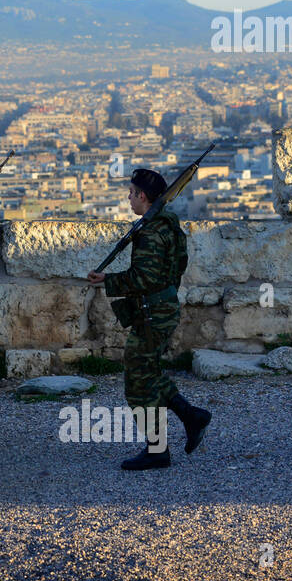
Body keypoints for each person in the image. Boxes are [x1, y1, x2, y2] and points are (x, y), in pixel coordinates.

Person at [88, 168, 210, 470]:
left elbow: (145, 277)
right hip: (160, 309)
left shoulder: (152, 232)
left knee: (137, 383)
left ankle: (157, 450)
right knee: (149, 371)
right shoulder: (165, 225)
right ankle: (191, 416)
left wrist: (108, 280)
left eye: (131, 193)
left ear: (143, 196)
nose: (129, 198)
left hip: (154, 313)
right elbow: (176, 267)